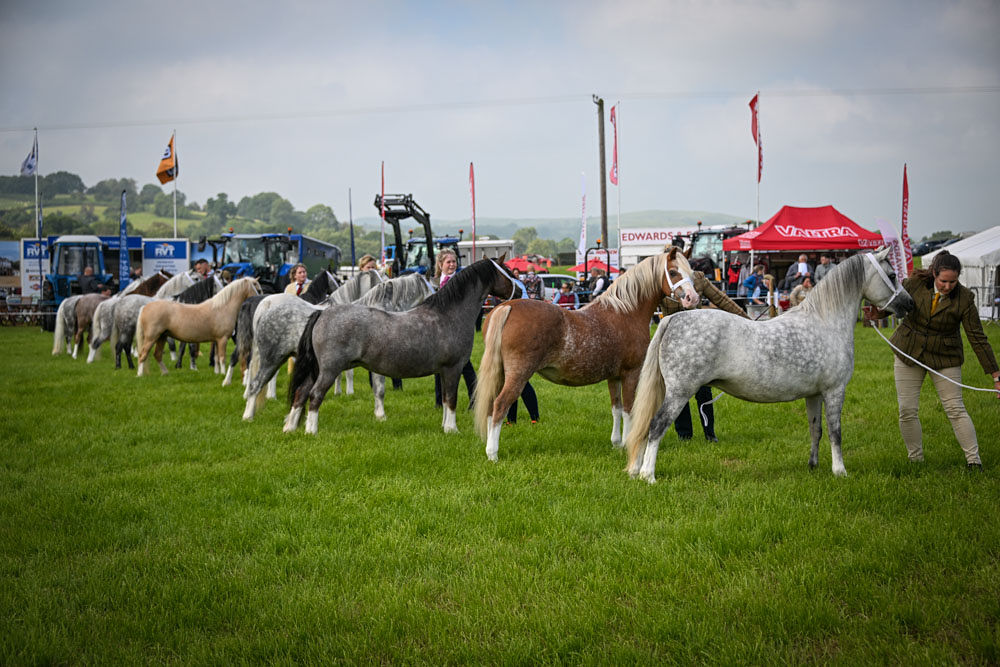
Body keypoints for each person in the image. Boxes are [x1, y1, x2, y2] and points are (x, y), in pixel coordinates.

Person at [864, 250, 1000, 470]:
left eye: (953, 281)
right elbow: (895, 307)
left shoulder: (965, 298)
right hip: (909, 351)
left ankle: (974, 461)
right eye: (943, 281)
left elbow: (977, 337)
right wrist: (877, 315)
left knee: (955, 408)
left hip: (945, 357)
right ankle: (915, 460)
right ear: (934, 274)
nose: (948, 286)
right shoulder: (914, 284)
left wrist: (996, 375)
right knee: (907, 410)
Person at [663, 260, 752, 442]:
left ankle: (709, 433)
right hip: (674, 344)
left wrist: (748, 321)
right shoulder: (664, 282)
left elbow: (721, 299)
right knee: (677, 391)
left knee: (704, 390)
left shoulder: (699, 279)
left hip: (699, 343)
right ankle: (684, 435)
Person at [432, 248, 477, 408]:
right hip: (437, 330)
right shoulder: (434, 282)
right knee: (439, 367)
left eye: (454, 261)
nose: (452, 265)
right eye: (448, 262)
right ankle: (439, 401)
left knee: (465, 366)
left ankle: (475, 400)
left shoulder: (461, 282)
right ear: (440, 264)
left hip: (456, 330)